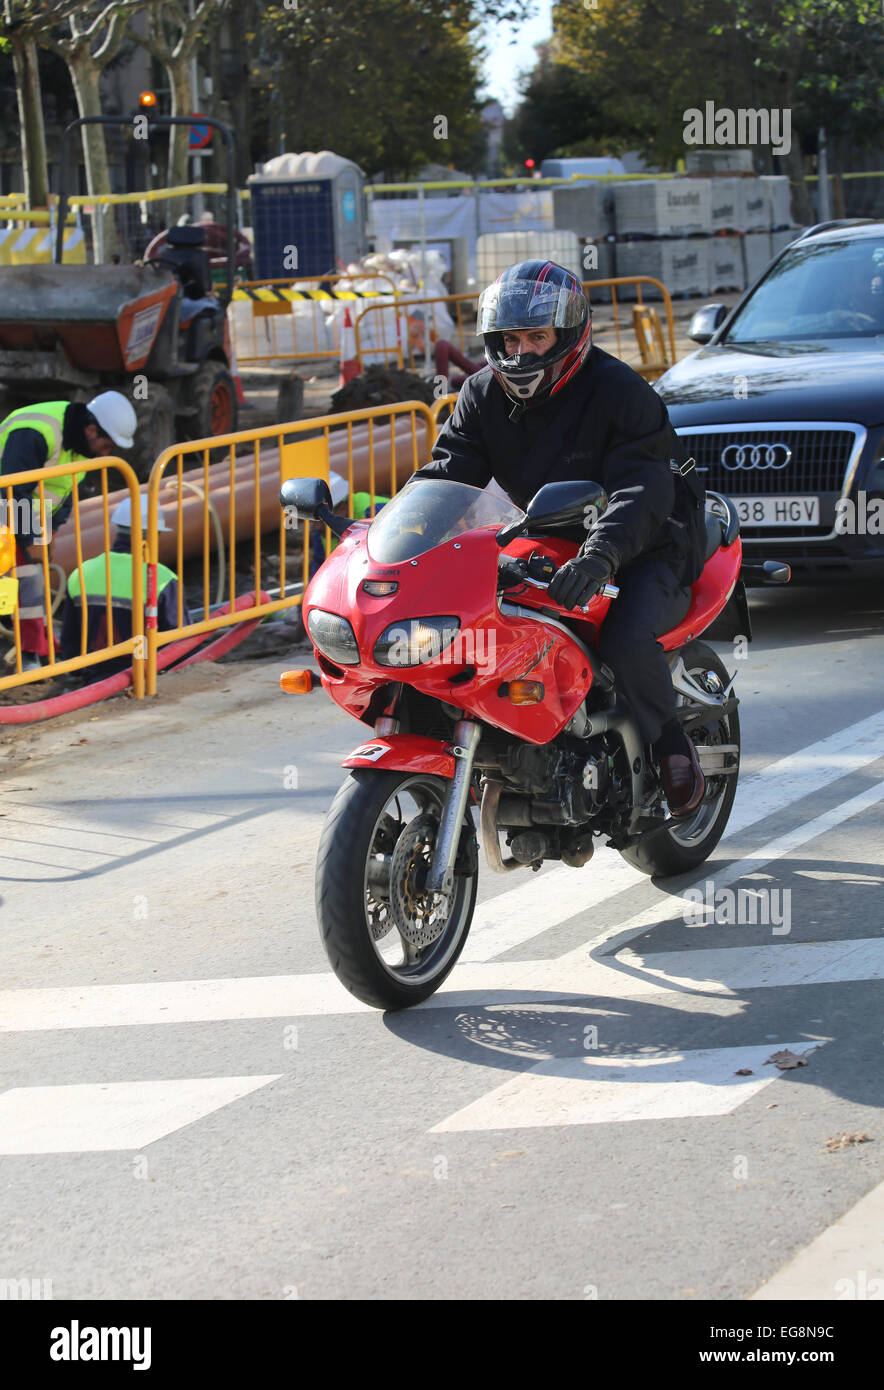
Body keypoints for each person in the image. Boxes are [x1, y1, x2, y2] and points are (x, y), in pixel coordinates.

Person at [415, 259, 708, 816]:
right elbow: (447, 476)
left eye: (536, 337)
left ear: (568, 337)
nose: (521, 353)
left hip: (646, 542)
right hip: (550, 537)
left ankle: (670, 740)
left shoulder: (619, 391)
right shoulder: (480, 396)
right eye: (510, 339)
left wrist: (600, 558)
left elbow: (643, 490)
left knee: (623, 637)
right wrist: (393, 534)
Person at [0, 391, 137, 671]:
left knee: (26, 583)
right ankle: (28, 654)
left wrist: (47, 534)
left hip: (20, 514)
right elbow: (11, 490)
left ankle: (32, 651)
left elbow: (62, 497)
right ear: (90, 429)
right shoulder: (37, 432)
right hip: (6, 508)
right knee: (21, 578)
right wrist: (29, 540)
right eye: (106, 445)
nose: (106, 454)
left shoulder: (81, 449)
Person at [60, 495, 189, 683]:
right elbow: (180, 644)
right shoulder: (163, 579)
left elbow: (70, 641)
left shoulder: (82, 572)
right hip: (146, 679)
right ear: (154, 534)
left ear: (118, 530)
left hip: (93, 680)